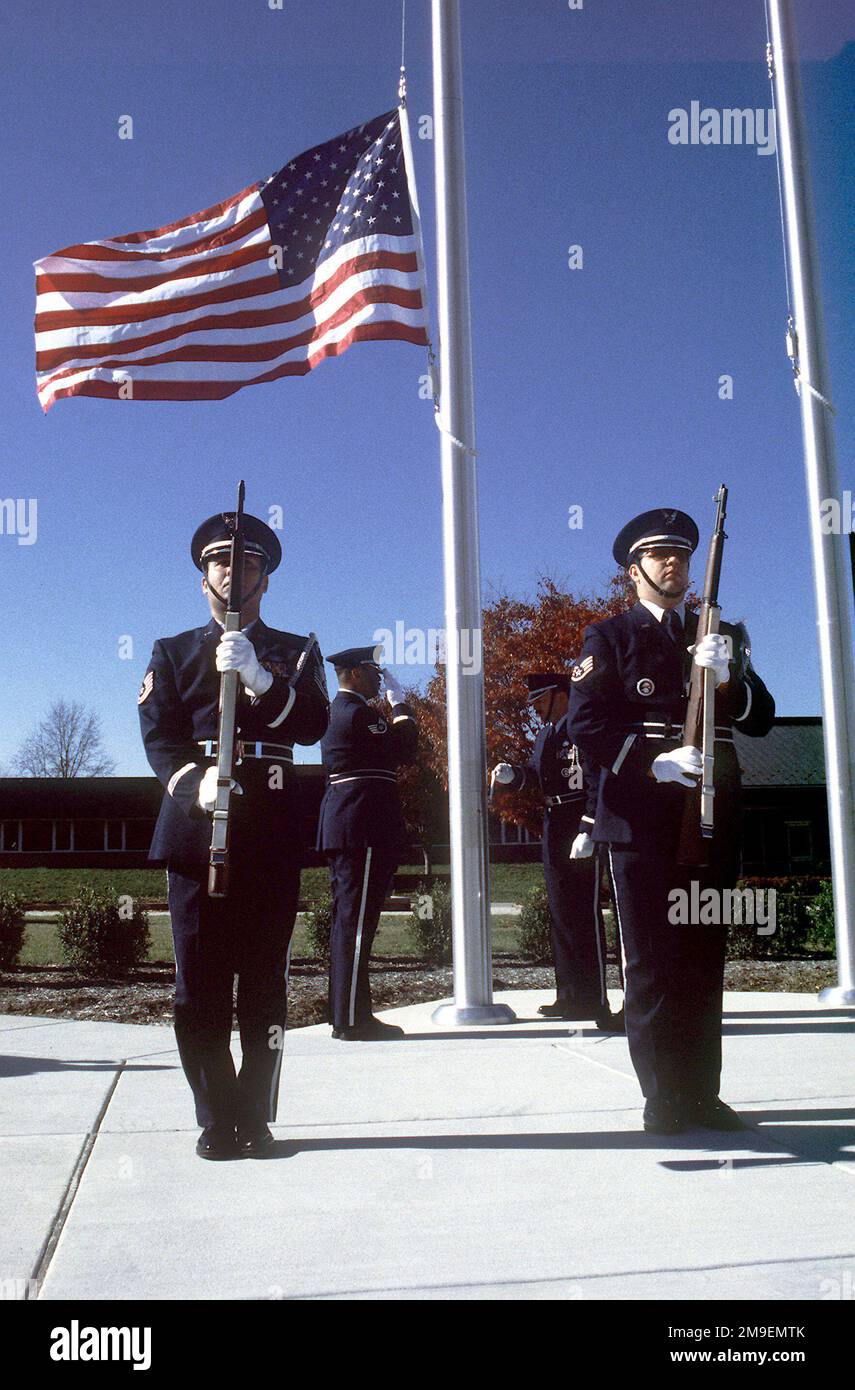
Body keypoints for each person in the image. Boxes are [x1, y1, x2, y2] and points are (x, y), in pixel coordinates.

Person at [568, 507, 774, 1134]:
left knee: (702, 956)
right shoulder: (611, 636)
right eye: (658, 554)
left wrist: (730, 673)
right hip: (641, 820)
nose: (673, 563)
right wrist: (653, 763)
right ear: (633, 570)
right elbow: (586, 725)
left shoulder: (718, 633)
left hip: (709, 817)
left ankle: (702, 1092)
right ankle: (662, 1095)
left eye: (680, 553)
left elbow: (760, 717)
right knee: (653, 960)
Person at [138, 507, 328, 1159]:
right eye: (221, 561)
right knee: (200, 986)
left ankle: (255, 1113)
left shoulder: (296, 650)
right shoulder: (172, 651)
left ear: (265, 580)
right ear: (203, 578)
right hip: (196, 834)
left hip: (270, 831)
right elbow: (159, 737)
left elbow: (308, 725)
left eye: (247, 563)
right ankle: (215, 1114)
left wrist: (259, 676)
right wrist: (196, 784)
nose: (233, 572)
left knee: (265, 983)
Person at [490, 673, 623, 1031]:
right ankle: (570, 996)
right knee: (561, 912)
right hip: (554, 820)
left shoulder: (581, 726)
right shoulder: (546, 734)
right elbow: (536, 775)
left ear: (560, 695)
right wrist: (512, 776)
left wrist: (589, 827)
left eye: (539, 701)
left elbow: (596, 778)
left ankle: (594, 998)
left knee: (584, 912)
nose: (534, 710)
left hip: (578, 818)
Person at [317, 646, 418, 1040]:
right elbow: (405, 746)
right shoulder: (357, 713)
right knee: (357, 924)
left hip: (350, 825)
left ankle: (346, 1015)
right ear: (355, 674)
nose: (379, 679)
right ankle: (353, 1019)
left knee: (350, 922)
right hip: (364, 827)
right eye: (374, 673)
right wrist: (401, 703)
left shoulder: (337, 711)